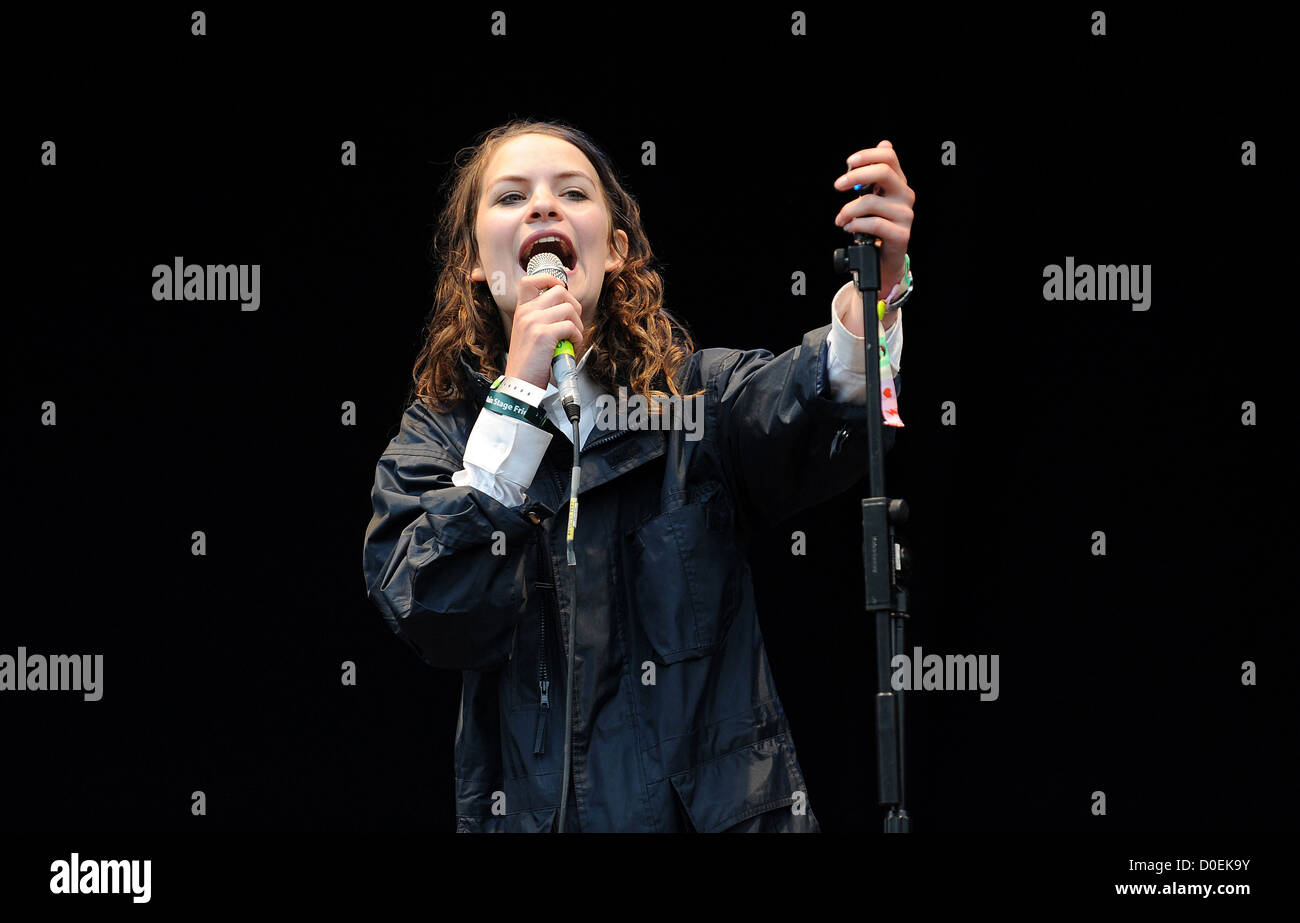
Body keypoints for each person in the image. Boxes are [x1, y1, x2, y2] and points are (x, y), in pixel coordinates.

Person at [362, 118, 914, 832]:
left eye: (571, 192)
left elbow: (825, 397)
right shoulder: (440, 438)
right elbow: (429, 604)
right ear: (475, 261)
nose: (542, 207)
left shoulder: (694, 405)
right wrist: (517, 403)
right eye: (509, 197)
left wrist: (881, 289)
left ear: (616, 250)